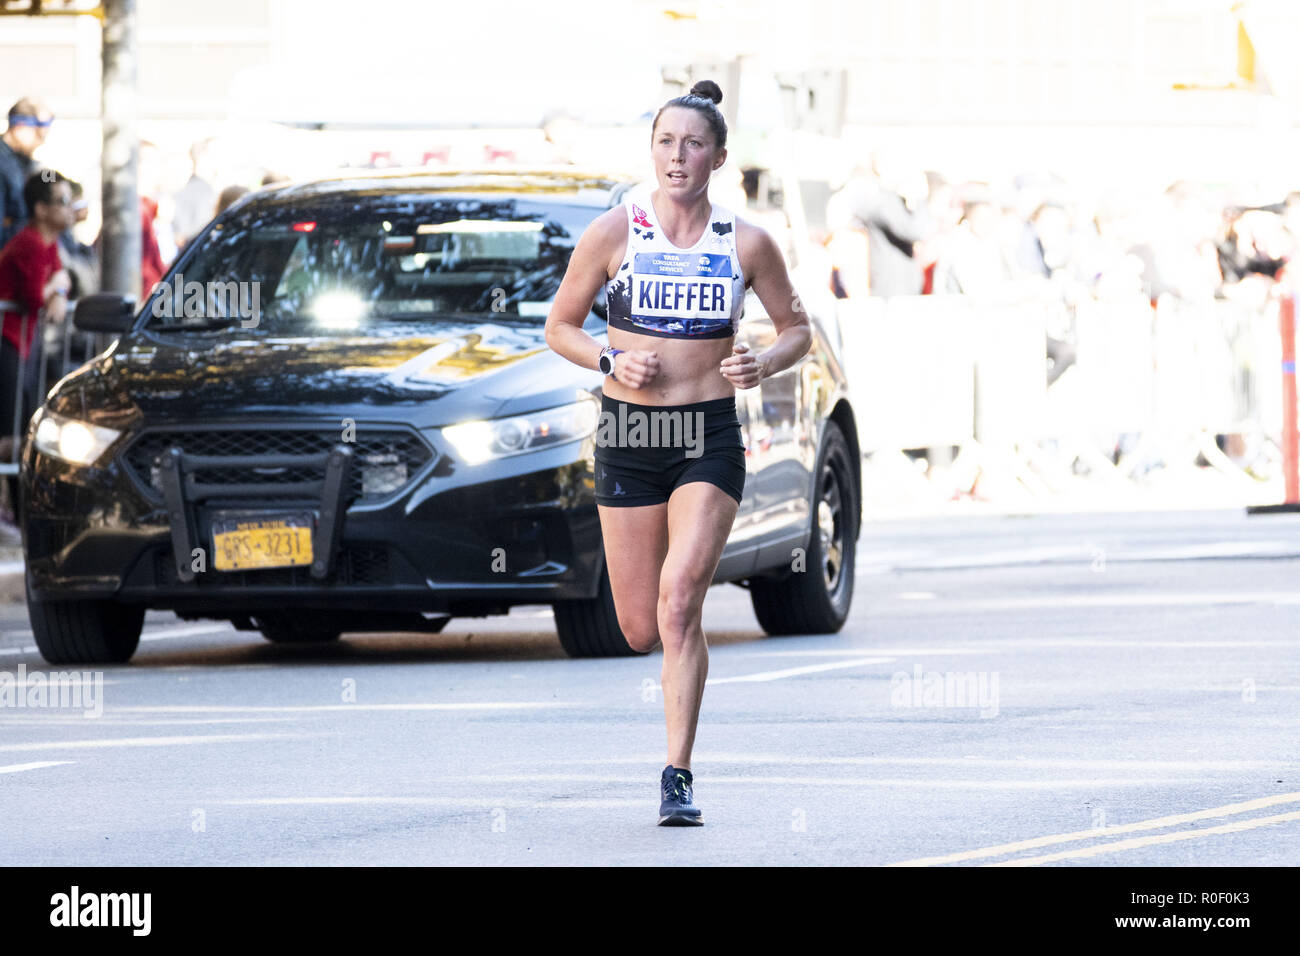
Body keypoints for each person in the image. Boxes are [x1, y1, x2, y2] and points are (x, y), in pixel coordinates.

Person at [544, 80, 812, 826]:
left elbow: (797, 328)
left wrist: (765, 360)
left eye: (693, 143)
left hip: (707, 434)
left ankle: (677, 775)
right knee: (638, 626)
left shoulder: (747, 242)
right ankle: (671, 701)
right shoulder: (614, 232)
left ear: (718, 158)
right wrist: (606, 361)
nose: (677, 155)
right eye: (666, 141)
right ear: (652, 150)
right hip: (632, 435)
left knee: (680, 594)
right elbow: (559, 325)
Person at [0, 170, 72, 522]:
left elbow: (61, 278)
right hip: (9, 341)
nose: (71, 208)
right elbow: (31, 298)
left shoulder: (48, 242)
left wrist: (57, 290)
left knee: (23, 425)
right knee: (11, 431)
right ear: (41, 209)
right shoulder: (29, 242)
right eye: (62, 201)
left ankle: (20, 511)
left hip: (24, 344)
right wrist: (54, 290)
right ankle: (13, 510)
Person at [0, 98, 54, 249]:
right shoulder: (3, 165)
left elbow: (47, 180)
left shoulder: (27, 162)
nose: (42, 142)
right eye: (40, 136)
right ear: (20, 127)